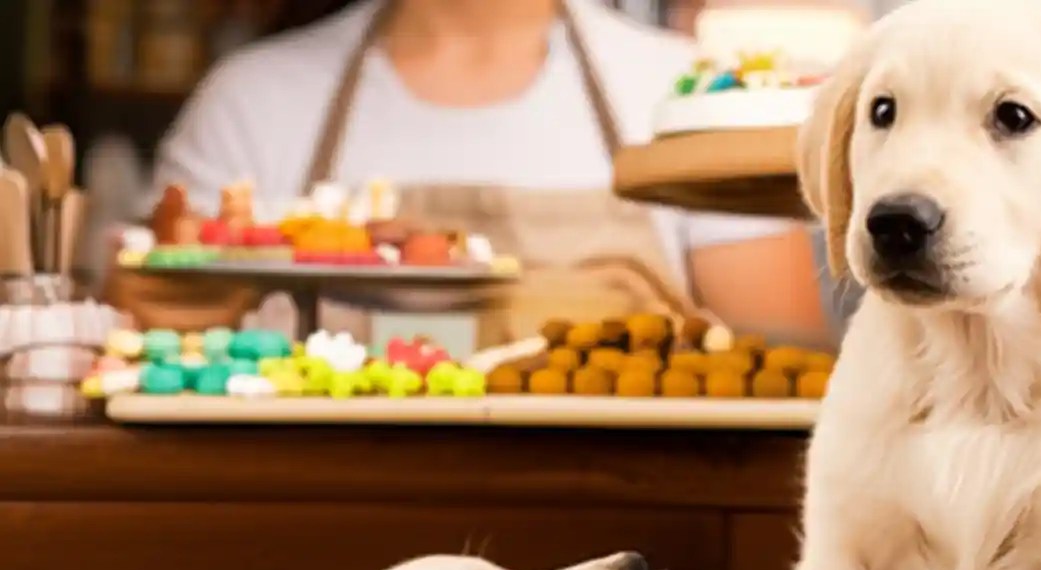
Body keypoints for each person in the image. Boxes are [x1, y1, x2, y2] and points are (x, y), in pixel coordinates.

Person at [109, 0, 830, 349]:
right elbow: (145, 341)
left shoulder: (688, 100)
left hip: (628, 546)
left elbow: (781, 388)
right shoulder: (253, 103)